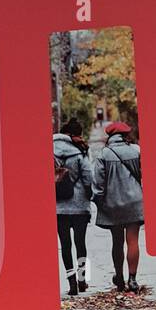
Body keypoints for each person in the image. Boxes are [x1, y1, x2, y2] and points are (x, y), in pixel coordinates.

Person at [92, 121, 143, 292]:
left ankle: (119, 278)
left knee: (117, 242)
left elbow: (98, 184)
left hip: (113, 205)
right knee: (133, 241)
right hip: (135, 202)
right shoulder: (136, 151)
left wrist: (99, 202)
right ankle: (133, 279)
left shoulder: (104, 154)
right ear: (126, 136)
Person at [54, 118, 95, 295]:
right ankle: (82, 279)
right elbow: (88, 177)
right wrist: (89, 194)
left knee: (65, 245)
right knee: (80, 243)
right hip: (79, 206)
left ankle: (71, 283)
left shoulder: (49, 149)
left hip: (58, 207)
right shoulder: (80, 151)